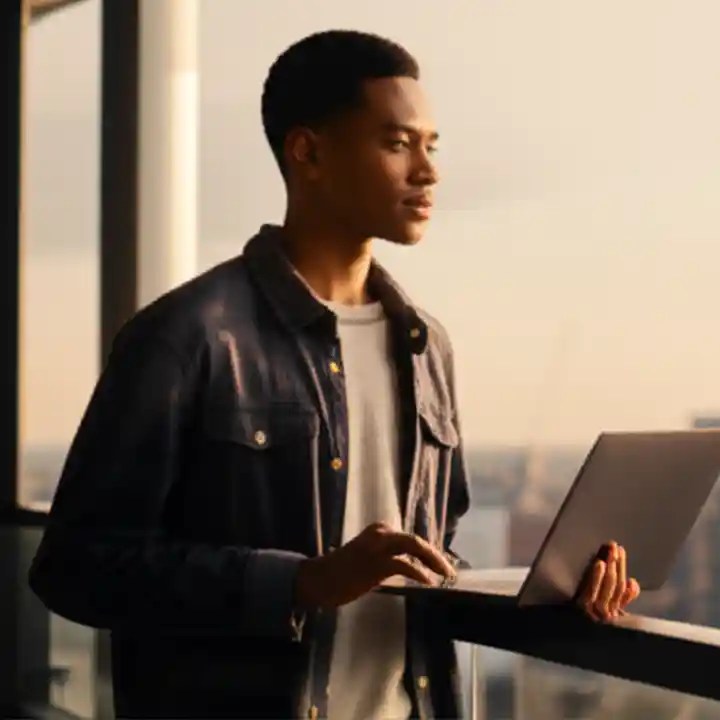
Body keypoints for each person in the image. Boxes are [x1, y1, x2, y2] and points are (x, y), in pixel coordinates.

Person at [28, 29, 640, 719]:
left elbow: (435, 560)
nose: (428, 171)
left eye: (431, 145)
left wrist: (554, 591)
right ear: (308, 152)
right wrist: (301, 582)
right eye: (397, 143)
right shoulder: (187, 337)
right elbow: (75, 568)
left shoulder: (425, 346)